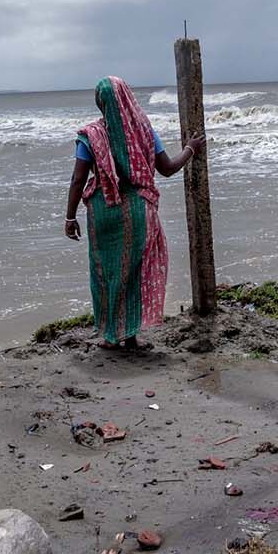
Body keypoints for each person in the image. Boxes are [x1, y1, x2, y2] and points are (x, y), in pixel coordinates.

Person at [64, 76, 205, 350]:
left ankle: (109, 336)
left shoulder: (90, 135)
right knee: (133, 273)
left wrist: (70, 217)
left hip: (104, 211)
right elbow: (166, 168)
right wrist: (190, 149)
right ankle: (130, 336)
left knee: (106, 273)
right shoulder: (144, 130)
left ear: (100, 103)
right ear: (127, 97)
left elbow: (77, 180)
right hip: (139, 211)